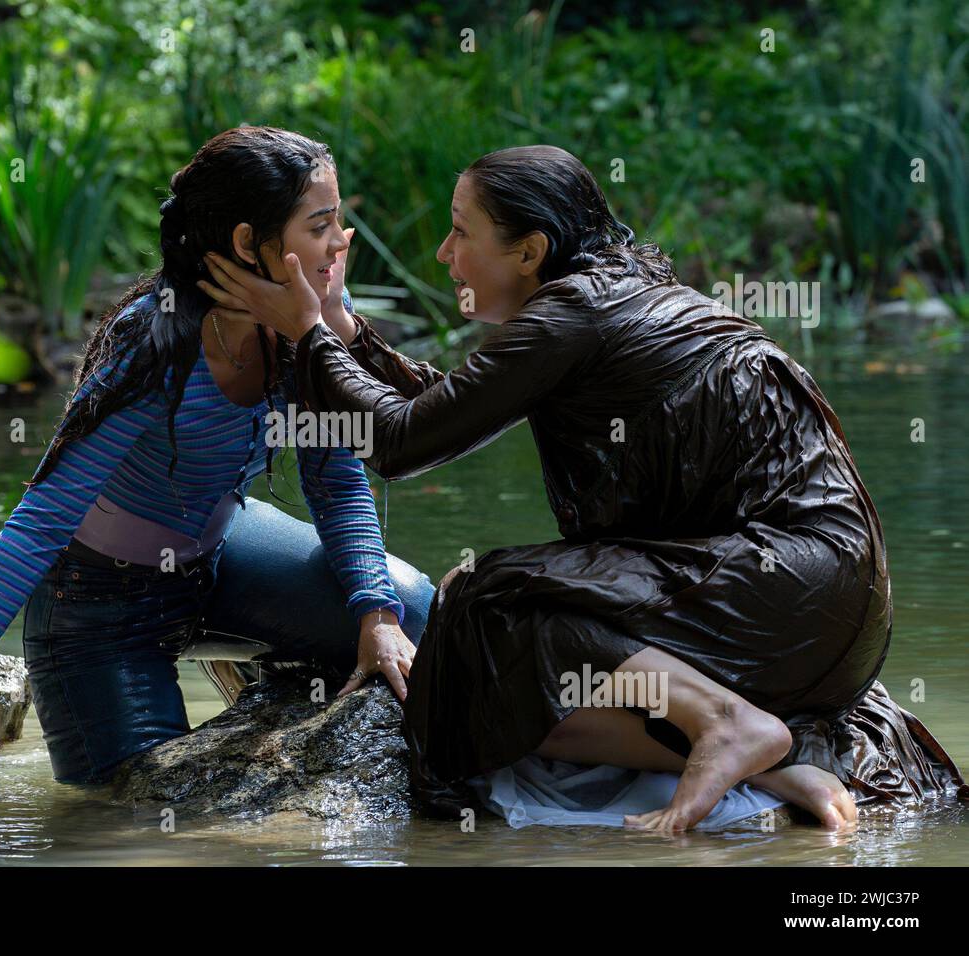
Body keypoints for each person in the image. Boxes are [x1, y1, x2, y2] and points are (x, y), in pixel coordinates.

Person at [197, 144, 965, 831]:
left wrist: (311, 337)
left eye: (462, 231)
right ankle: (768, 752)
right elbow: (437, 411)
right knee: (484, 637)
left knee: (486, 600)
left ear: (529, 249)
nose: (443, 254)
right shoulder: (607, 295)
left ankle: (734, 729)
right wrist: (343, 331)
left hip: (789, 580)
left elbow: (396, 442)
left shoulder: (572, 315)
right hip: (837, 607)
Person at [0, 126, 434, 784]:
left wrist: (374, 617)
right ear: (246, 243)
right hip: (97, 605)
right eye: (320, 225)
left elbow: (337, 482)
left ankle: (268, 679)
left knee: (416, 614)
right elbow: (41, 521)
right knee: (148, 811)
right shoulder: (153, 341)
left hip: (220, 558)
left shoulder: (310, 317)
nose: (339, 246)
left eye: (339, 223)